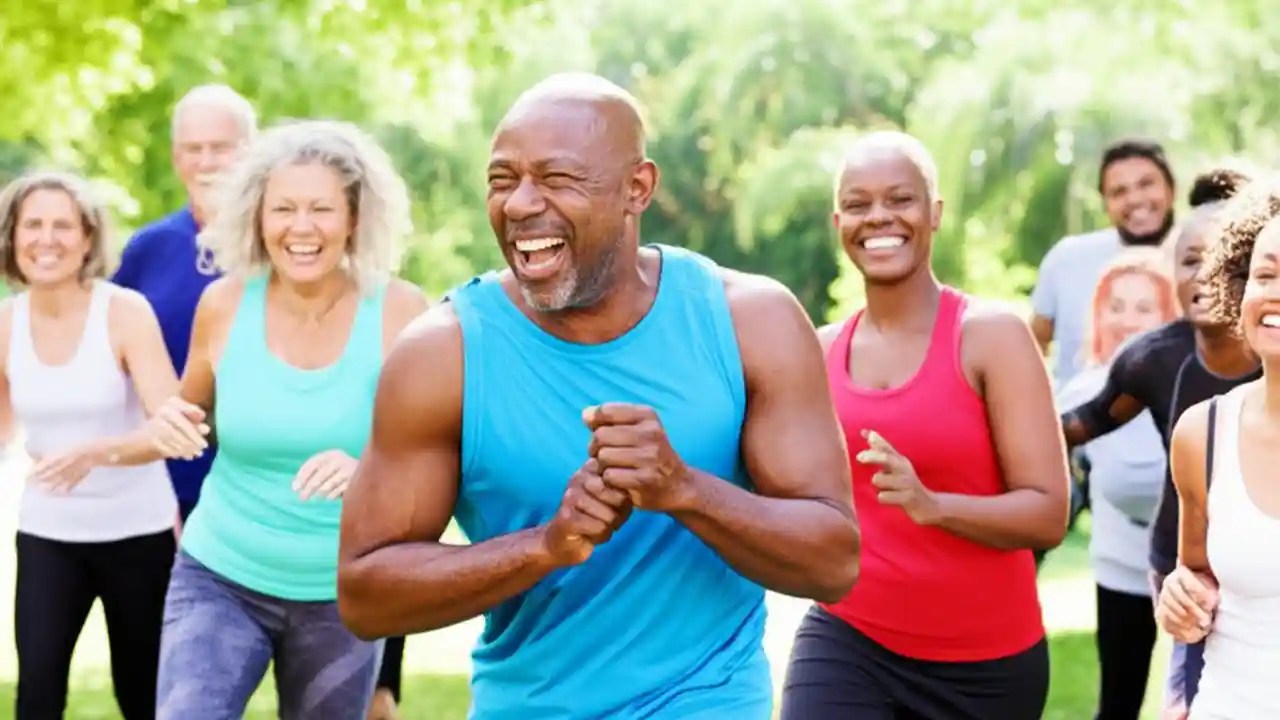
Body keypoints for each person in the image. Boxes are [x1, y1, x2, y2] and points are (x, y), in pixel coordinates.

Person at [336, 72, 860, 720]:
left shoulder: (751, 321)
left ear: (636, 189)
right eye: (503, 180)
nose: (522, 204)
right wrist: (546, 546)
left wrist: (685, 491)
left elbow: (833, 561)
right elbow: (365, 596)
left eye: (557, 179)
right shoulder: (443, 355)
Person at [144, 119, 429, 720]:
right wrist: (173, 421)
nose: (302, 228)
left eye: (322, 209)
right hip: (220, 574)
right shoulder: (223, 304)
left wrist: (369, 467)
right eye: (284, 209)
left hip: (342, 591)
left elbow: (435, 453)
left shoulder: (401, 312)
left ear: (355, 218)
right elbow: (192, 414)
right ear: (257, 217)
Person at [777, 131, 1067, 720]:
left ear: (934, 212)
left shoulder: (991, 337)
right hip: (849, 636)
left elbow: (1047, 513)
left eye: (900, 199)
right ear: (839, 221)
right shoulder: (820, 351)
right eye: (858, 204)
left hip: (984, 668)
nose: (878, 216)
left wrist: (934, 506)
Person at [1059, 166, 1260, 717]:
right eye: (1192, 260)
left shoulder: (1274, 354)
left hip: (1261, 554)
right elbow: (1084, 423)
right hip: (1182, 561)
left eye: (1226, 262)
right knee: (1191, 699)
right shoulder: (1152, 359)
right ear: (1172, 271)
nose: (1206, 275)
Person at [0, 171, 179, 719]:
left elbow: (172, 428)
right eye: (32, 225)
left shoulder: (123, 312)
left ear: (86, 239)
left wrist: (97, 452)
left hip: (137, 535)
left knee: (143, 696)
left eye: (62, 225)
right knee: (37, 696)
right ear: (12, 237)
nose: (45, 239)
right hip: (49, 535)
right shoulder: (6, 323)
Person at [1156, 176, 1280, 719]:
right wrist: (1181, 599)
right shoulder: (1201, 434)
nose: (1276, 293)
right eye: (1266, 274)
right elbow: (1198, 579)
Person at [112, 84, 257, 524]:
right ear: (177, 158)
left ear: (252, 152)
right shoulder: (147, 248)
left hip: (259, 479)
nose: (207, 162)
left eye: (221, 148)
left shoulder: (286, 245)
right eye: (194, 149)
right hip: (161, 483)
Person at [1056, 248, 1179, 720]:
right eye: (1117, 305)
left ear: (1170, 315)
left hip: (1193, 568)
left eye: (1144, 308)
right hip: (1120, 564)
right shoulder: (1084, 393)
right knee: (1120, 702)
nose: (1128, 320)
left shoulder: (1192, 383)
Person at [1031, 138, 1177, 389]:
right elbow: (1032, 345)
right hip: (1077, 422)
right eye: (1119, 192)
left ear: (1171, 190)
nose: (1134, 198)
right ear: (1105, 204)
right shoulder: (1067, 259)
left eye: (1146, 184)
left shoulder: (1203, 259)